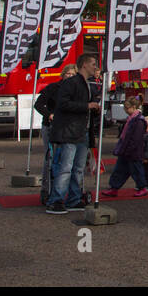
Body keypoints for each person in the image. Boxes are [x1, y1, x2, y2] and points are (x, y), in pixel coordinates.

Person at [45, 55, 99, 214]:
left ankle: (73, 199)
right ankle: (55, 200)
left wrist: (92, 109)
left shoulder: (87, 85)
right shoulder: (71, 83)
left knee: (78, 168)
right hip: (69, 131)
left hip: (82, 131)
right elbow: (63, 104)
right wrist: (87, 105)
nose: (95, 67)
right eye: (93, 64)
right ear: (84, 65)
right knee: (66, 167)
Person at [33, 65, 77, 204]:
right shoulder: (53, 88)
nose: (70, 76)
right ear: (63, 75)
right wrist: (49, 114)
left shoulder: (76, 90)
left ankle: (65, 192)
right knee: (50, 159)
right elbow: (39, 104)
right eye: (68, 74)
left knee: (67, 162)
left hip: (69, 129)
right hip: (50, 127)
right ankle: (46, 191)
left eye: (72, 74)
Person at [101, 97, 148, 197]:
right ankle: (114, 188)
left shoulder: (138, 121)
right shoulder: (133, 119)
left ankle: (142, 187)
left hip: (132, 151)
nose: (126, 111)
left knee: (135, 170)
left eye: (127, 108)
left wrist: (127, 149)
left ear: (134, 107)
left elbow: (135, 139)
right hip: (127, 150)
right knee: (120, 170)